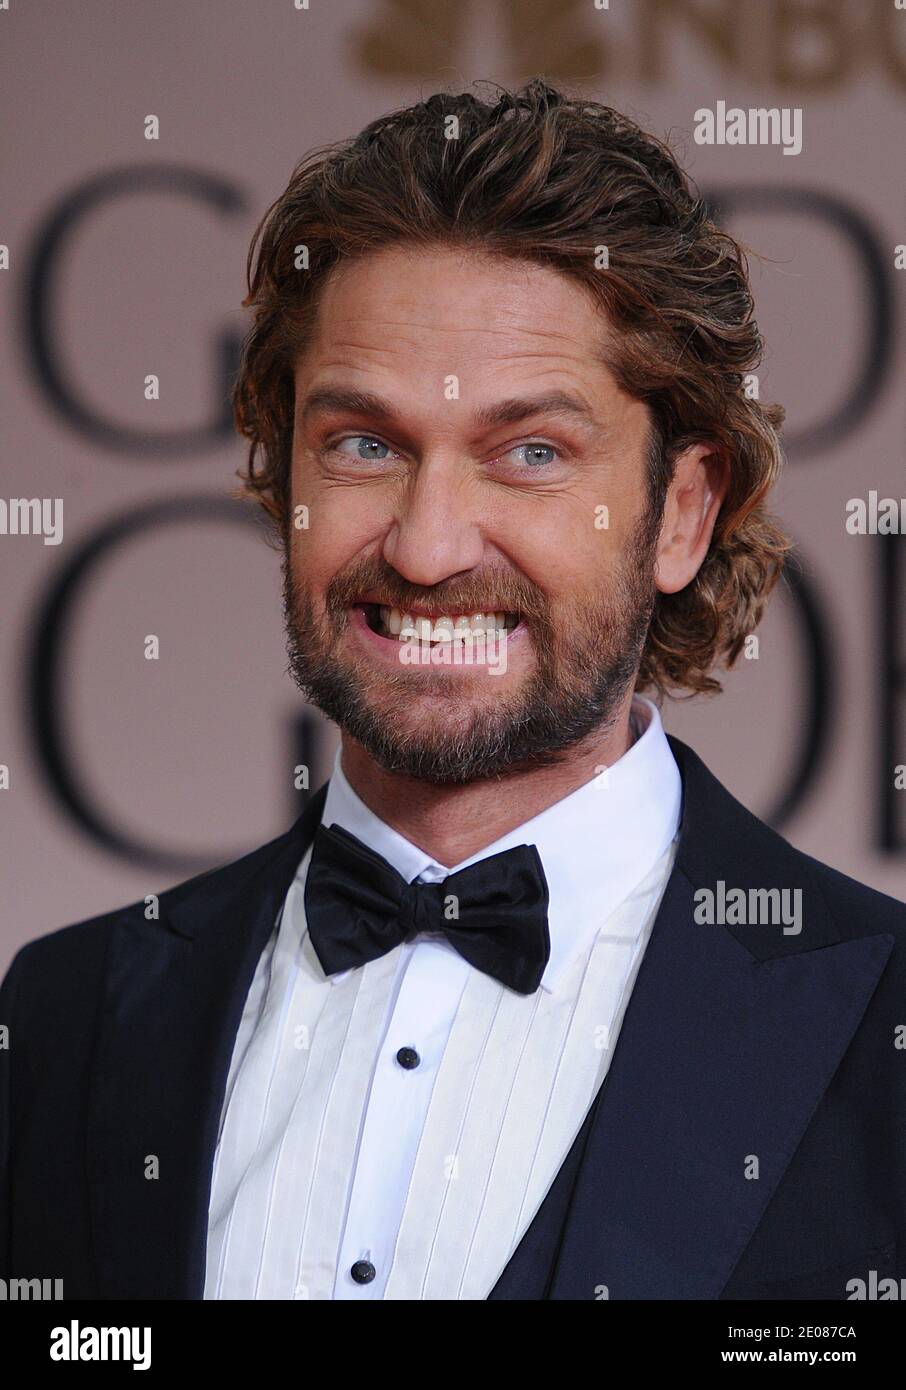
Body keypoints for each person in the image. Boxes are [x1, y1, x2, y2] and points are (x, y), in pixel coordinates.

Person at [2, 80, 903, 1302]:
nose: (427, 548)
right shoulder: (66, 1019)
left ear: (683, 511)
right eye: (364, 443)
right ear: (284, 476)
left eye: (530, 453)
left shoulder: (882, 1026)